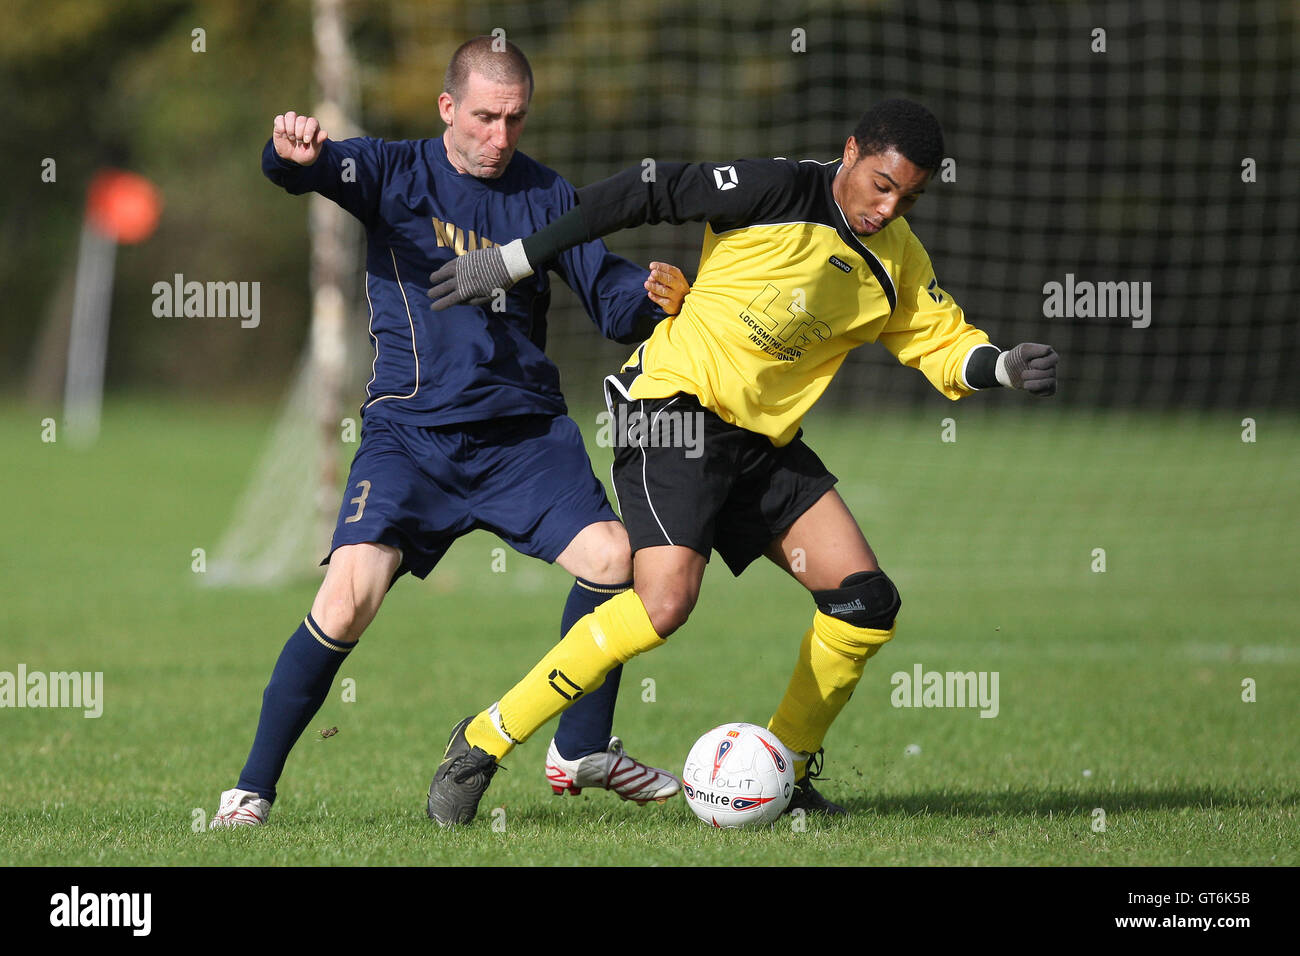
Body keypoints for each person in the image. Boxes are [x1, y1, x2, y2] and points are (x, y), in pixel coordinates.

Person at [424, 98, 1059, 825]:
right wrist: (513, 260)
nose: (889, 207)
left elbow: (944, 342)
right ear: (850, 153)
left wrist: (1004, 366)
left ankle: (785, 774)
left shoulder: (897, 259)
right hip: (672, 407)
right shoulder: (775, 188)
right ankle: (481, 741)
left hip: (761, 442)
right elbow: (647, 189)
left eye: (909, 196)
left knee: (864, 602)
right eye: (882, 184)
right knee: (665, 602)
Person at [209, 36, 690, 829]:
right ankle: (251, 792)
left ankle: (579, 750)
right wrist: (285, 150)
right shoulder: (393, 172)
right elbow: (305, 168)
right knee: (347, 596)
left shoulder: (548, 196)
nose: (500, 137)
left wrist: (653, 295)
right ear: (446, 109)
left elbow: (612, 304)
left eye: (515, 120)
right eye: (484, 117)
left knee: (614, 559)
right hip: (411, 437)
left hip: (523, 438)